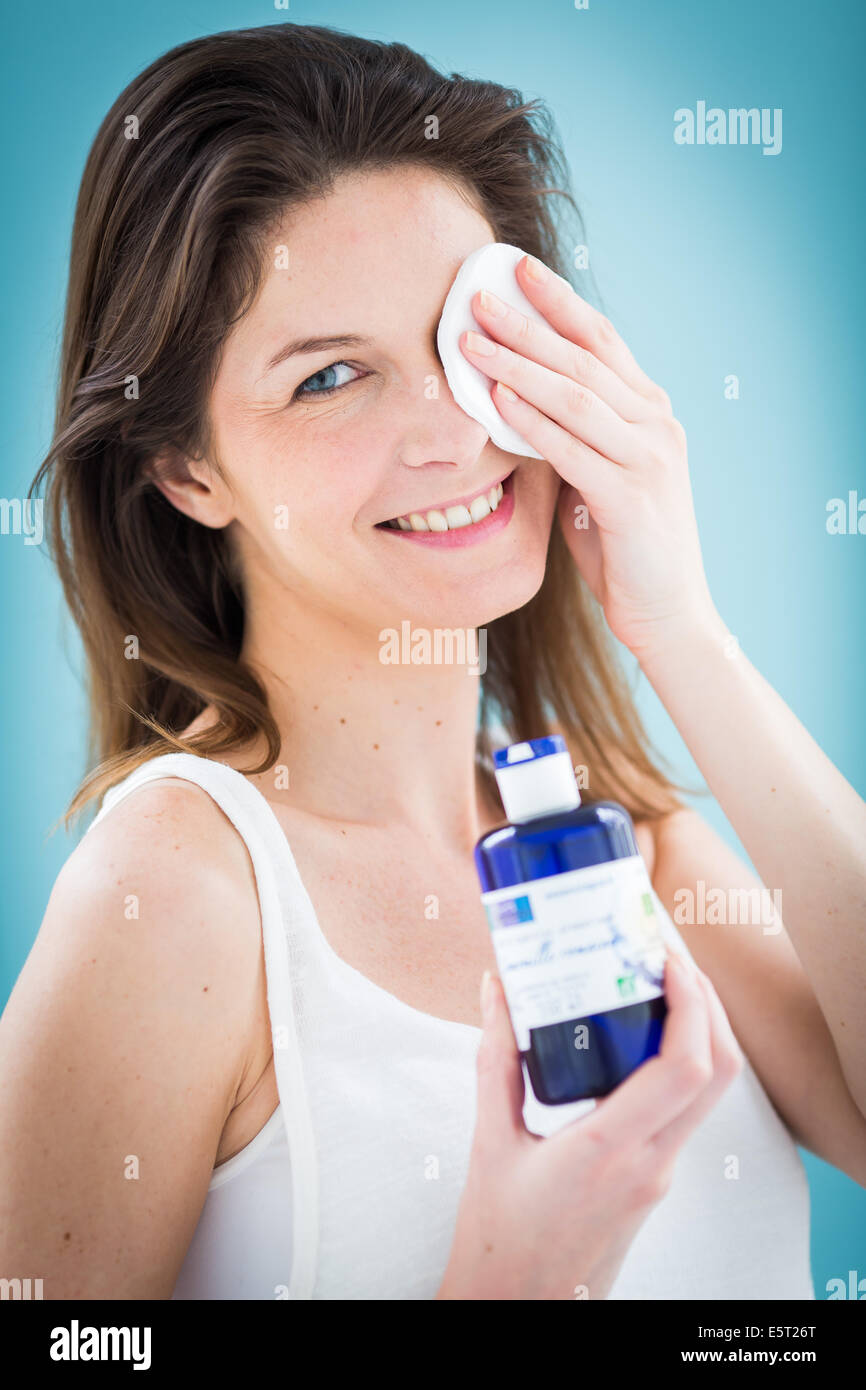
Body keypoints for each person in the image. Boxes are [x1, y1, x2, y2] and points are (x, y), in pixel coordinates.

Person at [2, 23, 864, 1301]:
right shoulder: (176, 891)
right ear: (184, 471)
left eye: (470, 337)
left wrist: (677, 626)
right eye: (330, 376)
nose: (454, 432)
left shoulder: (627, 843)